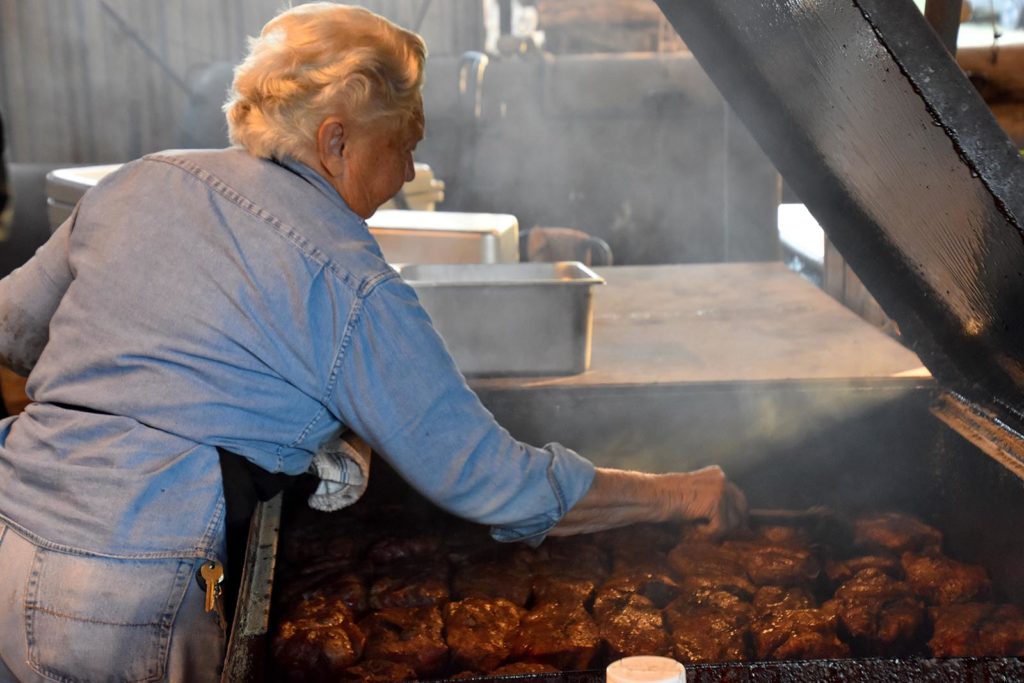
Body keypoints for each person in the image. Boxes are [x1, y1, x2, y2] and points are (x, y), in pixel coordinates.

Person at [0, 4, 747, 681]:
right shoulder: (351, 282)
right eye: (406, 144)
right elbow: (496, 481)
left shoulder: (142, 179)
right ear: (336, 140)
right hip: (119, 601)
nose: (412, 171)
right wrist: (680, 492)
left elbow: (13, 328)